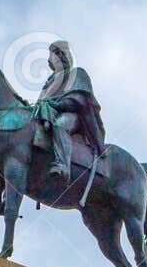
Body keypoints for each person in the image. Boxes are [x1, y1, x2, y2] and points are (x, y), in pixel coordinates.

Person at [37, 39, 105, 181]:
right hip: (48, 115)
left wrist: (57, 104)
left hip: (73, 116)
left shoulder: (77, 73)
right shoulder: (48, 84)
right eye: (56, 53)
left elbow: (80, 100)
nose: (61, 57)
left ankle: (63, 166)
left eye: (64, 53)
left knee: (60, 125)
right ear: (51, 60)